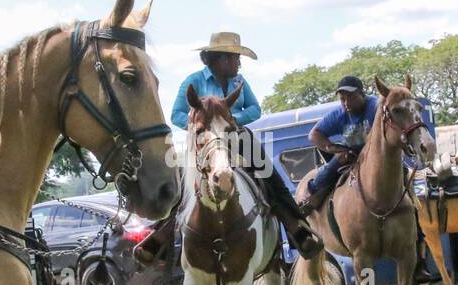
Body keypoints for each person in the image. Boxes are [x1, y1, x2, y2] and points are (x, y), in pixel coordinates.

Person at [133, 32, 322, 264]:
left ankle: (298, 231)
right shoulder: (193, 81)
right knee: (184, 187)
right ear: (221, 60)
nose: (239, 63)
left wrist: (230, 121)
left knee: (271, 178)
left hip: (238, 137)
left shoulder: (238, 82)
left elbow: (255, 109)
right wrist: (204, 126)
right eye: (235, 58)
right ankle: (158, 238)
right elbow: (177, 114)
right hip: (204, 142)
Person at [298, 75, 380, 214]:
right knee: (327, 172)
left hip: (376, 154)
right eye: (342, 99)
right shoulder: (338, 114)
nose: (346, 103)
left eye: (351, 97)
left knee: (401, 174)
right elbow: (314, 134)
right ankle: (311, 197)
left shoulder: (375, 106)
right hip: (350, 154)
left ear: (361, 94)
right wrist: (333, 149)